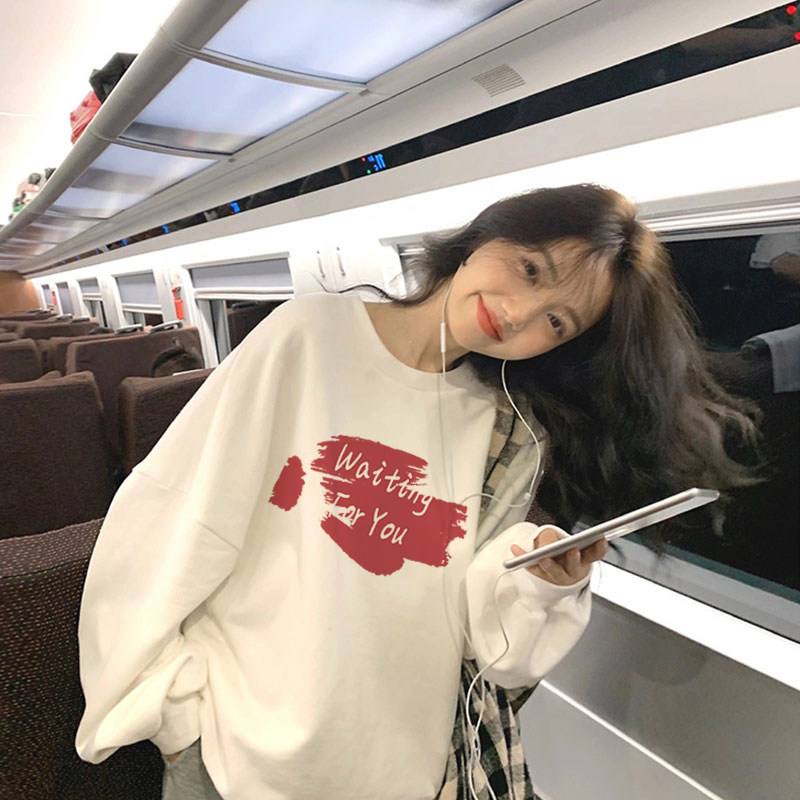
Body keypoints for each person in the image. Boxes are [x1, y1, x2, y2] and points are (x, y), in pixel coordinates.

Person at [75, 184, 758, 800]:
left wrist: (541, 585)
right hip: (240, 757)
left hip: (406, 766)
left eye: (557, 322)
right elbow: (174, 517)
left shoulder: (508, 430)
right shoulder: (309, 337)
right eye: (530, 270)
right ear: (490, 232)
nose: (519, 314)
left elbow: (486, 643)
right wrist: (172, 715)